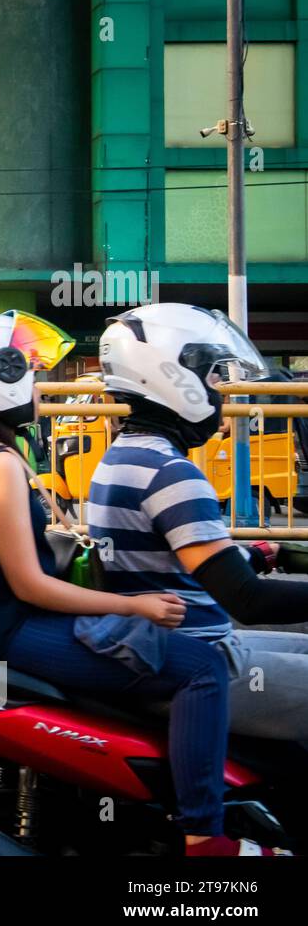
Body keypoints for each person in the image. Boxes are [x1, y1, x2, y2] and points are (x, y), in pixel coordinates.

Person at [0, 309, 283, 857]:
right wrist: (133, 606)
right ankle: (202, 832)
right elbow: (28, 586)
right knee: (202, 668)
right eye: (28, 368)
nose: (39, 383)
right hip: (12, 629)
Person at [89, 303, 308, 746]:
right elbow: (247, 600)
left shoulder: (122, 456)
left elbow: (177, 559)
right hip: (199, 657)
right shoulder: (171, 473)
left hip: (168, 647)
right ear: (171, 375)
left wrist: (259, 554)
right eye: (212, 377)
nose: (221, 395)